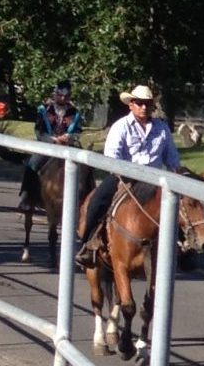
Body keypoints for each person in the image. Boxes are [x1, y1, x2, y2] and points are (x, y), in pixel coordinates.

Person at [78, 84, 181, 262]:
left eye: (147, 104)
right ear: (130, 104)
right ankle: (88, 244)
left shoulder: (162, 129)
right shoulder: (120, 126)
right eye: (139, 103)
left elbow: (171, 157)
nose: (143, 107)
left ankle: (184, 248)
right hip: (125, 177)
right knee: (97, 201)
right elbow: (112, 156)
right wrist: (124, 173)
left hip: (156, 180)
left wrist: (177, 172)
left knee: (182, 207)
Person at [25, 80, 82, 201]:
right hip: (47, 146)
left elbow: (78, 131)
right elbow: (39, 132)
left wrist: (68, 137)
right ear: (55, 94)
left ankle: (85, 196)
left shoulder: (74, 112)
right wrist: (53, 140)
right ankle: (27, 198)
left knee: (86, 166)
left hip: (68, 146)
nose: (63, 98)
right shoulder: (44, 110)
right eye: (60, 95)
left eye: (66, 96)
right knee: (32, 164)